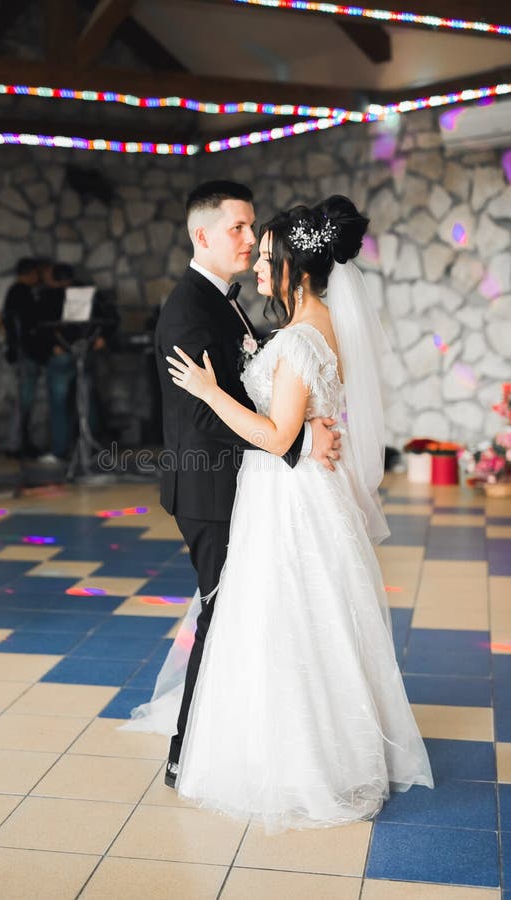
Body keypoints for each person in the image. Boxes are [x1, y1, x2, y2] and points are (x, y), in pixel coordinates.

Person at [163, 196, 433, 831]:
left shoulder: (300, 337)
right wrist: (311, 427)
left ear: (295, 266)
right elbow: (304, 417)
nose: (258, 263)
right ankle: (312, 743)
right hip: (294, 492)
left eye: (265, 256)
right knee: (303, 617)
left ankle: (302, 761)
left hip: (286, 497)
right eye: (251, 248)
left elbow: (277, 435)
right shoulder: (319, 325)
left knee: (285, 619)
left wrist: (210, 392)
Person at [134, 181, 340, 790]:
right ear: (203, 235)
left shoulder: (226, 300)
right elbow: (202, 414)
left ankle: (249, 734)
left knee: (244, 616)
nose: (251, 240)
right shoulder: (188, 308)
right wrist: (298, 440)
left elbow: (252, 382)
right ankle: (185, 750)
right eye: (239, 229)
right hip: (211, 491)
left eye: (254, 229)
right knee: (222, 616)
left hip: (245, 486)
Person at [2, 257, 45, 458]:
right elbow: (25, 327)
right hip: (25, 355)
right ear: (29, 273)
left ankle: (19, 442)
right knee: (23, 401)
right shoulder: (22, 293)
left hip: (22, 354)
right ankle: (16, 444)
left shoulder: (15, 293)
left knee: (24, 401)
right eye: (37, 273)